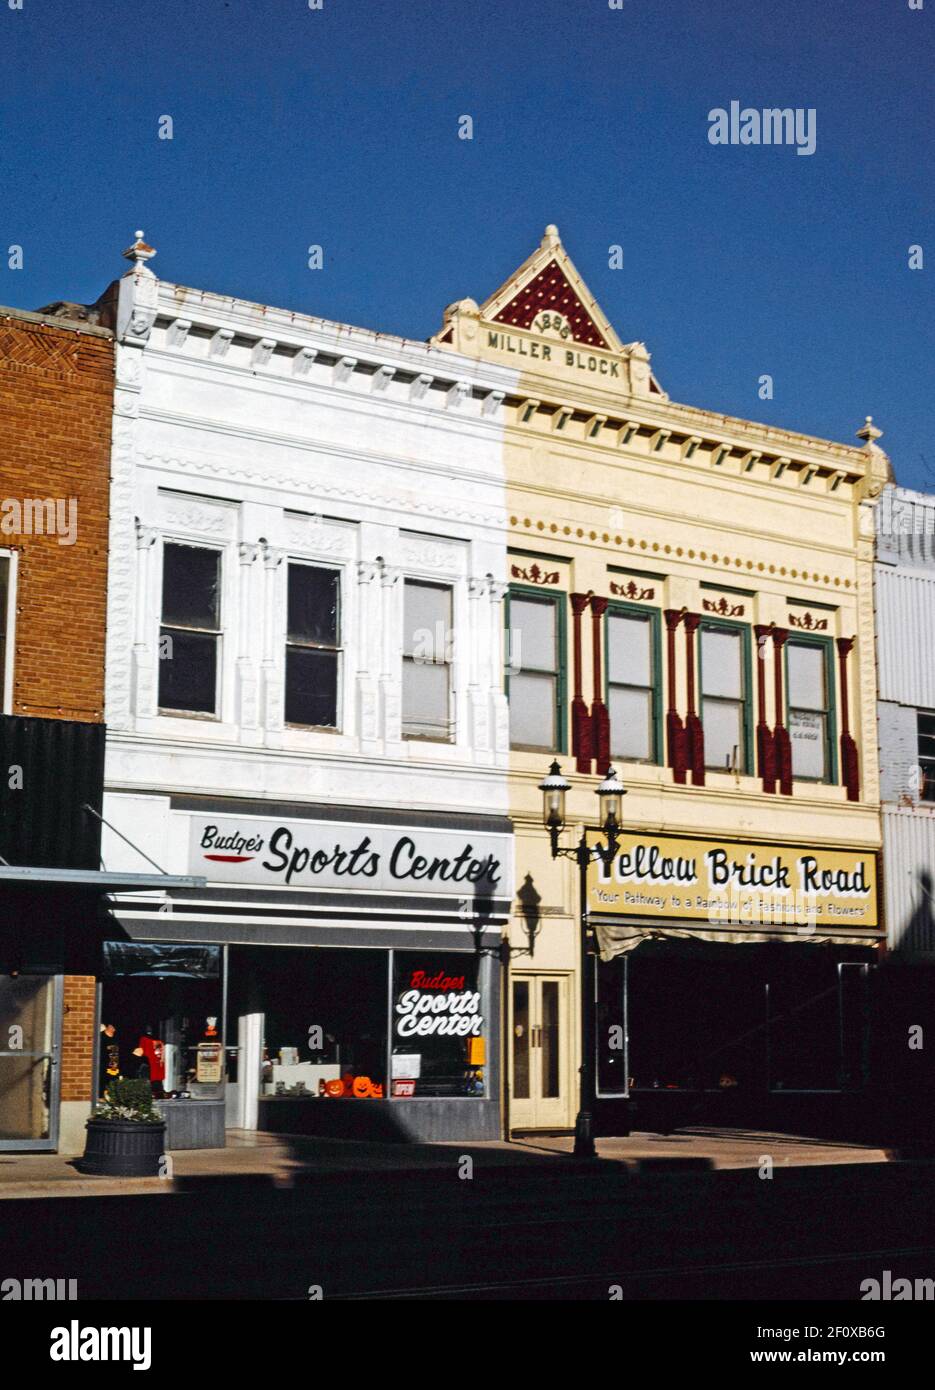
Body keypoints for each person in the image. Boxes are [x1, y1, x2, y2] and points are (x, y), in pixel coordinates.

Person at [99, 1023, 121, 1099]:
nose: (114, 1030)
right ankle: (101, 1096)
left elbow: (116, 1052)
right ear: (109, 1026)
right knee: (102, 1081)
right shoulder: (101, 1037)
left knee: (113, 1082)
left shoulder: (115, 1038)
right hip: (103, 1064)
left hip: (113, 1065)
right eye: (113, 1027)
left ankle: (112, 1097)